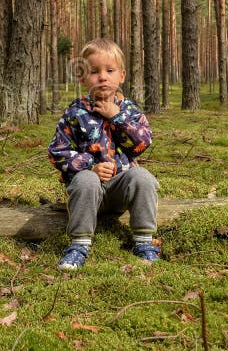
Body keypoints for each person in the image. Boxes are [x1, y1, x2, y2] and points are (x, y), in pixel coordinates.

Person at [48, 38, 160, 270]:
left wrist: (116, 117)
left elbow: (142, 143)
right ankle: (79, 245)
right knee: (86, 180)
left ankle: (144, 242)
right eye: (94, 72)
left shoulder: (129, 110)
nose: (102, 77)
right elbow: (57, 152)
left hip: (121, 190)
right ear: (82, 78)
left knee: (143, 177)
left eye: (110, 71)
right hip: (88, 193)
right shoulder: (76, 112)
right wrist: (90, 166)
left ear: (122, 75)